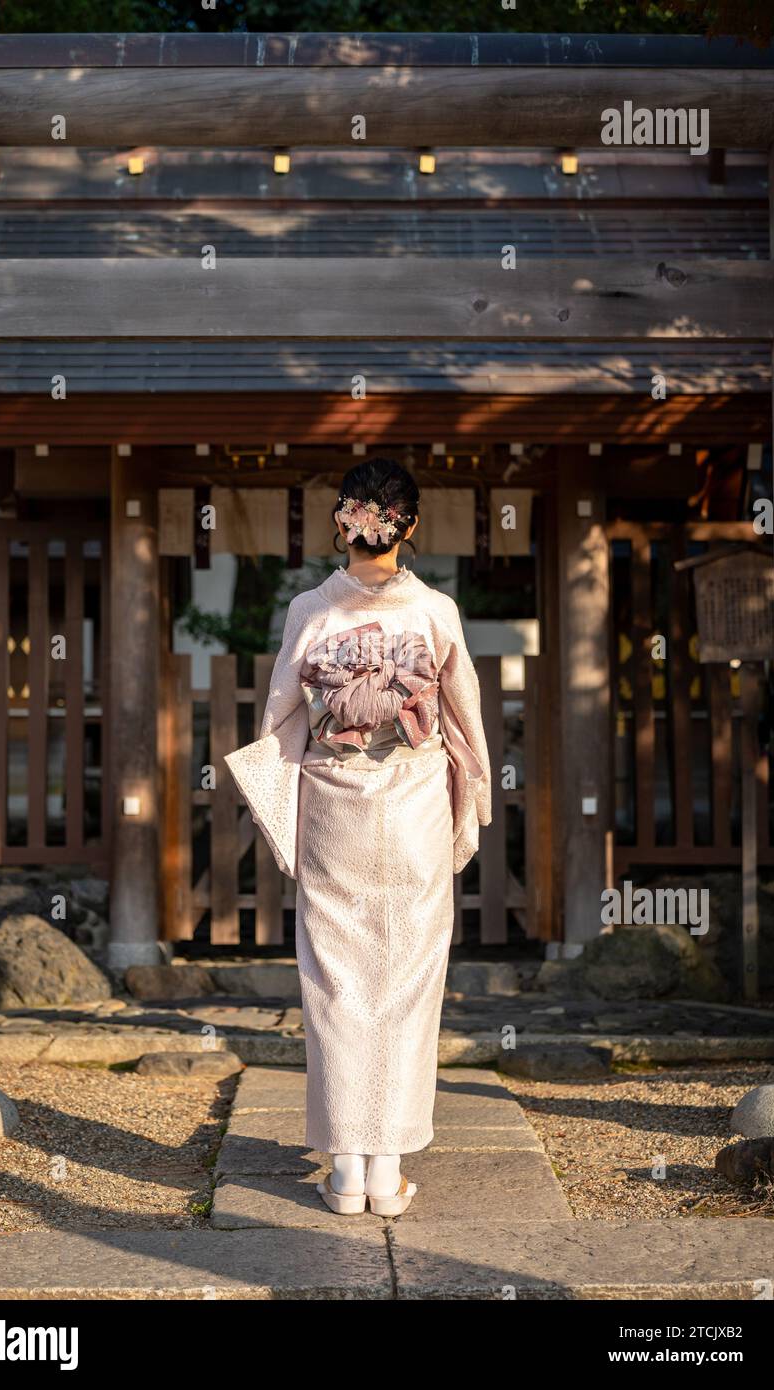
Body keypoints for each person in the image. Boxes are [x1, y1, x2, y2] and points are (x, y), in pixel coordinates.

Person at [224, 458, 492, 1216]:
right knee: (407, 979)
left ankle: (345, 1170)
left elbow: (281, 714)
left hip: (335, 807)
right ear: (408, 526)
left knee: (337, 979)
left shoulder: (311, 609)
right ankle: (387, 1168)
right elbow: (465, 717)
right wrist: (467, 793)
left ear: (344, 521)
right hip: (411, 807)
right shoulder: (436, 610)